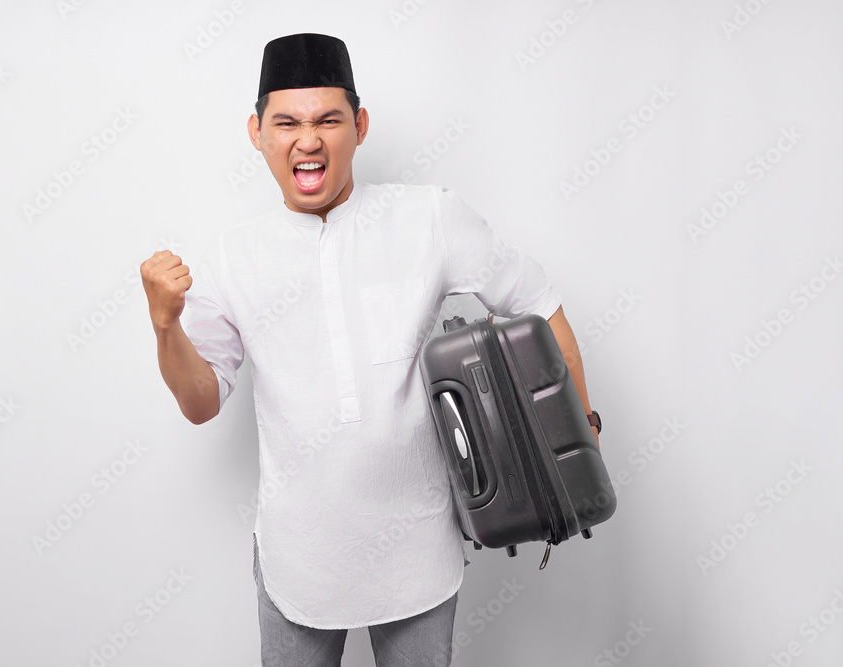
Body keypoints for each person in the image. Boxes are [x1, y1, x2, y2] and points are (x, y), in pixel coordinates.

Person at [139, 32, 600, 667]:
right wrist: (167, 327)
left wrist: (578, 438)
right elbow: (199, 402)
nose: (309, 139)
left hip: (418, 552)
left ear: (358, 125)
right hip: (296, 560)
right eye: (287, 122)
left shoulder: (429, 219)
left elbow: (539, 301)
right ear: (256, 131)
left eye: (329, 119)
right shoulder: (232, 257)